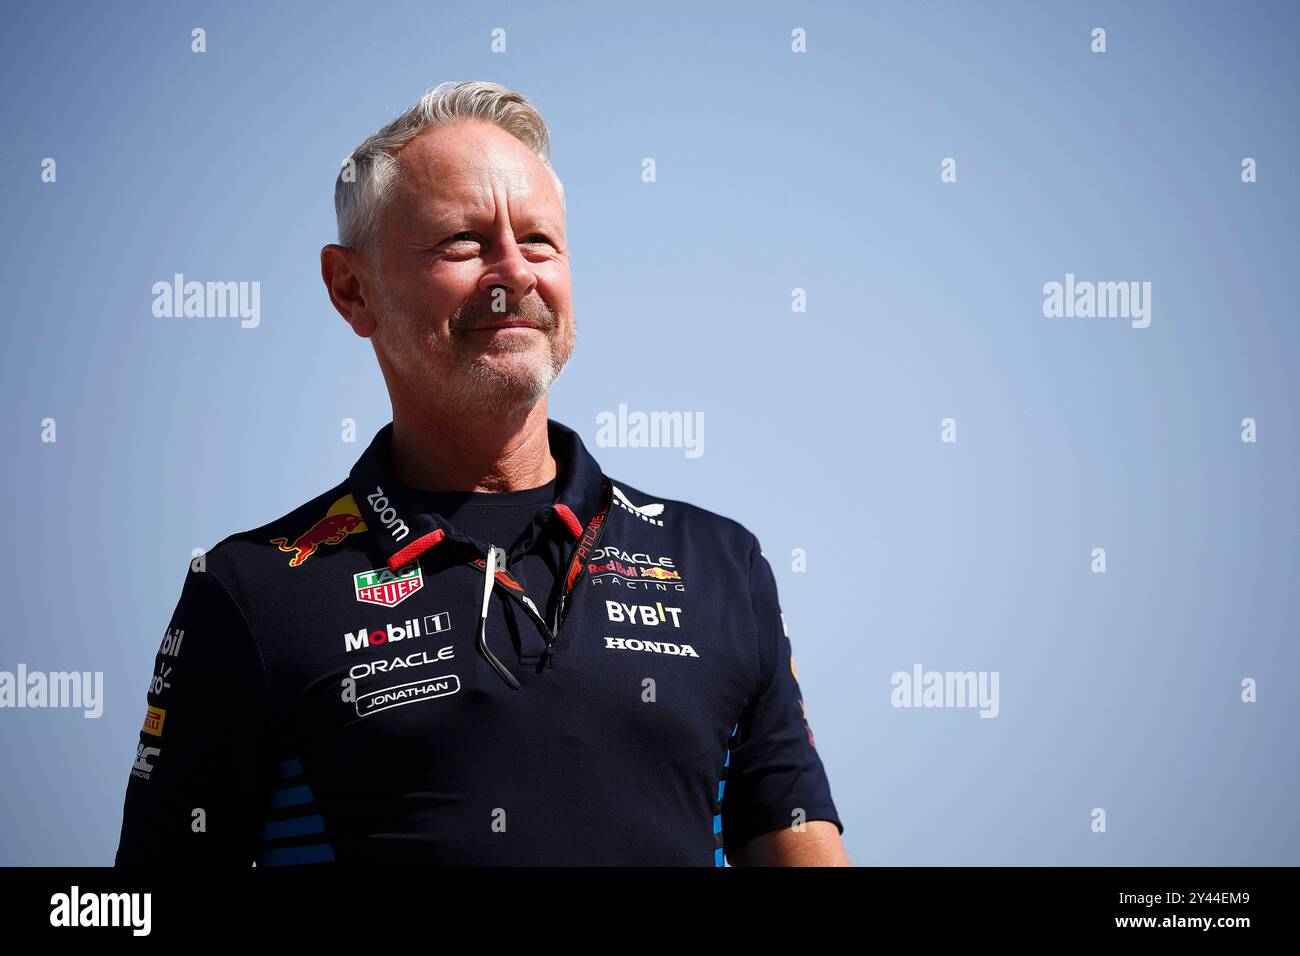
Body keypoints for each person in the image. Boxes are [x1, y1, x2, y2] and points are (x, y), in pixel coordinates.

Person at [115, 80, 848, 866]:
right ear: (351, 290)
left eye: (539, 241)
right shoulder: (253, 590)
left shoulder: (721, 565)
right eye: (463, 243)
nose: (514, 274)